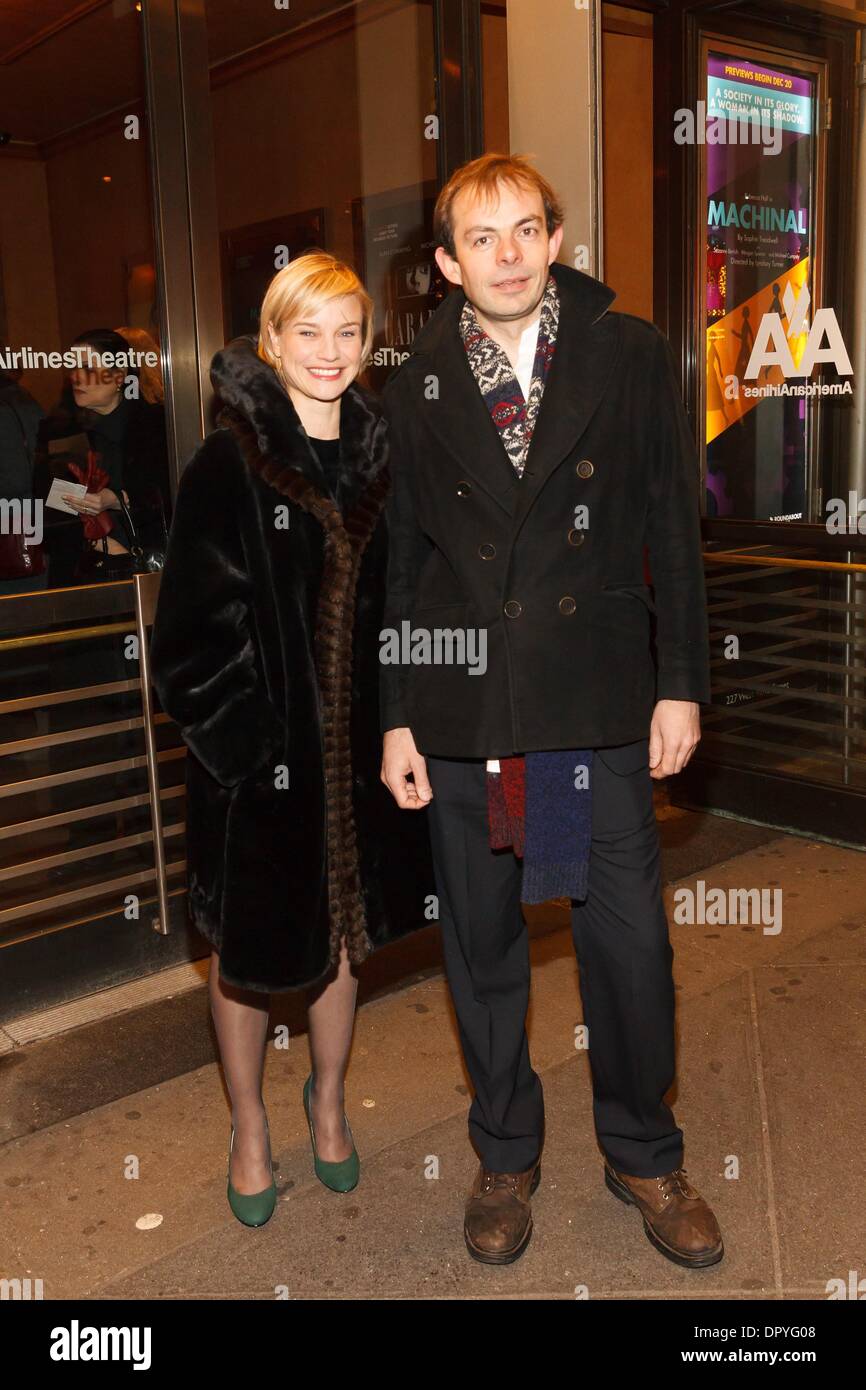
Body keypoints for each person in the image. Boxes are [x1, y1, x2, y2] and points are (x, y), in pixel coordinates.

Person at [379, 154, 722, 1269]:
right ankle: (504, 1149)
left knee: (622, 942)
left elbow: (671, 522)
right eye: (480, 238)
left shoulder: (623, 355)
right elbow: (402, 565)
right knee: (482, 947)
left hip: (582, 709)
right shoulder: (417, 378)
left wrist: (680, 679)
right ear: (445, 264)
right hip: (471, 705)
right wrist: (395, 715)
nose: (508, 253)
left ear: (556, 237)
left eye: (525, 229)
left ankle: (641, 1148)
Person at [149, 252, 434, 1228]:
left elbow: (400, 612)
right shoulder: (224, 464)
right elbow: (186, 647)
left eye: (345, 331)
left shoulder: (378, 461)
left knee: (339, 946)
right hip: (253, 775)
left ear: (366, 342)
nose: (327, 351)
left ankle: (325, 1101)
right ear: (271, 342)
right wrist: (251, 757)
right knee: (247, 956)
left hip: (352, 765)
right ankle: (247, 1126)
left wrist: (399, 726)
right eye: (305, 331)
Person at [34, 328, 170, 587]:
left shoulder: (154, 426)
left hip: (143, 570)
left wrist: (118, 501)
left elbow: (170, 493)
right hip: (80, 572)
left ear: (119, 376)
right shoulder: (62, 430)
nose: (76, 377)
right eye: (72, 367)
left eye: (87, 367)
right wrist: (87, 513)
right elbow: (45, 497)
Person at [0, 368, 46, 594]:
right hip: (29, 521)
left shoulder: (5, 406)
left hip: (14, 532)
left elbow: (16, 478)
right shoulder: (19, 397)